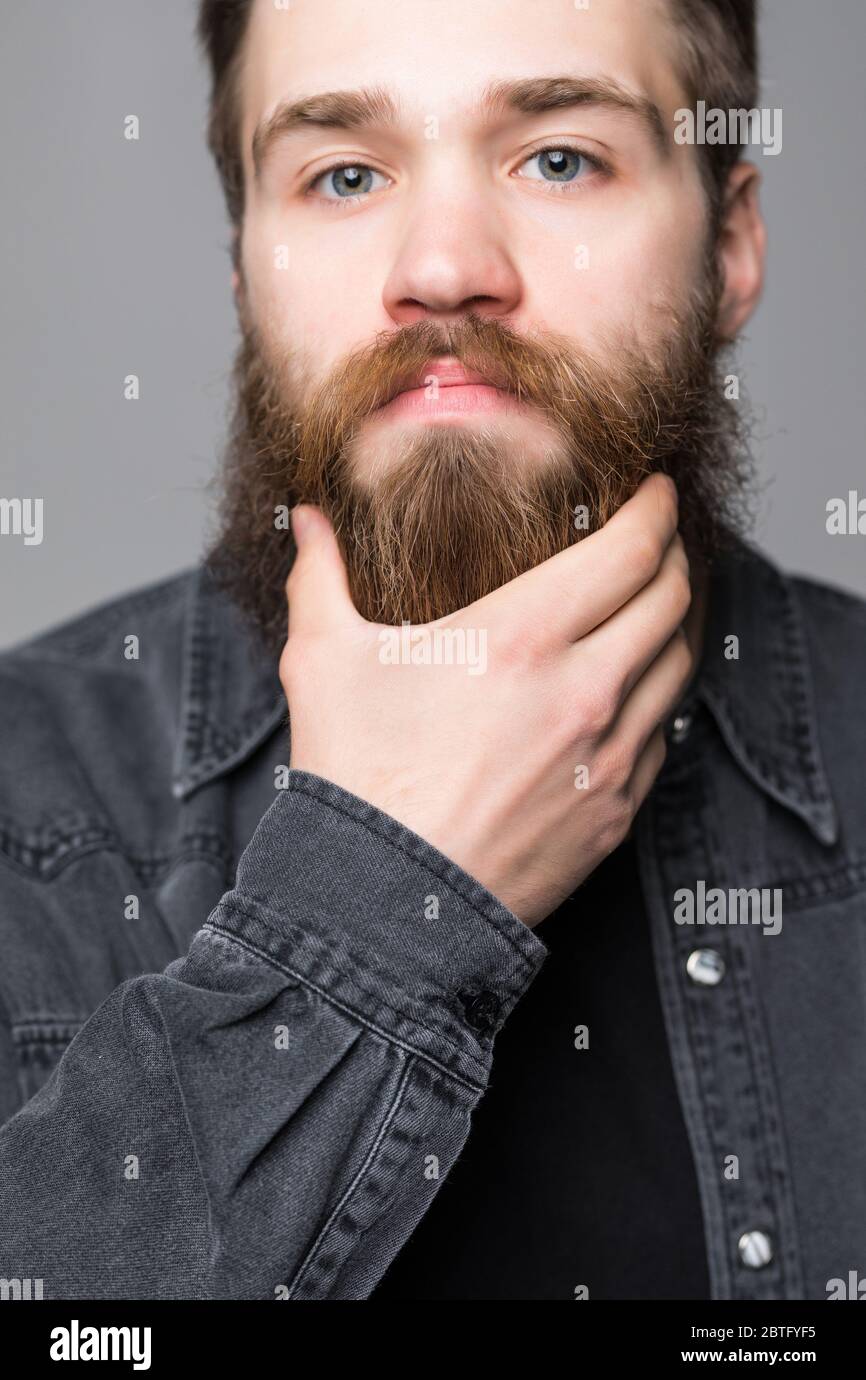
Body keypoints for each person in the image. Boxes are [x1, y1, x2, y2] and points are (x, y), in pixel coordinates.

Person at [0, 0, 863, 1300]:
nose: (445, 265)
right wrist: (388, 891)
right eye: (343, 174)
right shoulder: (21, 799)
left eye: (559, 157)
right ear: (243, 268)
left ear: (730, 244)